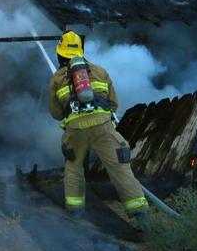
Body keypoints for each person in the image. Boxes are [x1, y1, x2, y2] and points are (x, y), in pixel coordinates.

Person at [49, 31, 149, 219]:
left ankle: (75, 213)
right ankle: (141, 216)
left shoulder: (56, 79)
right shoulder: (100, 71)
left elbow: (56, 114)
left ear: (60, 54)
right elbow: (113, 104)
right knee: (120, 167)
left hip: (75, 130)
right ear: (81, 51)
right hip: (102, 126)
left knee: (74, 167)